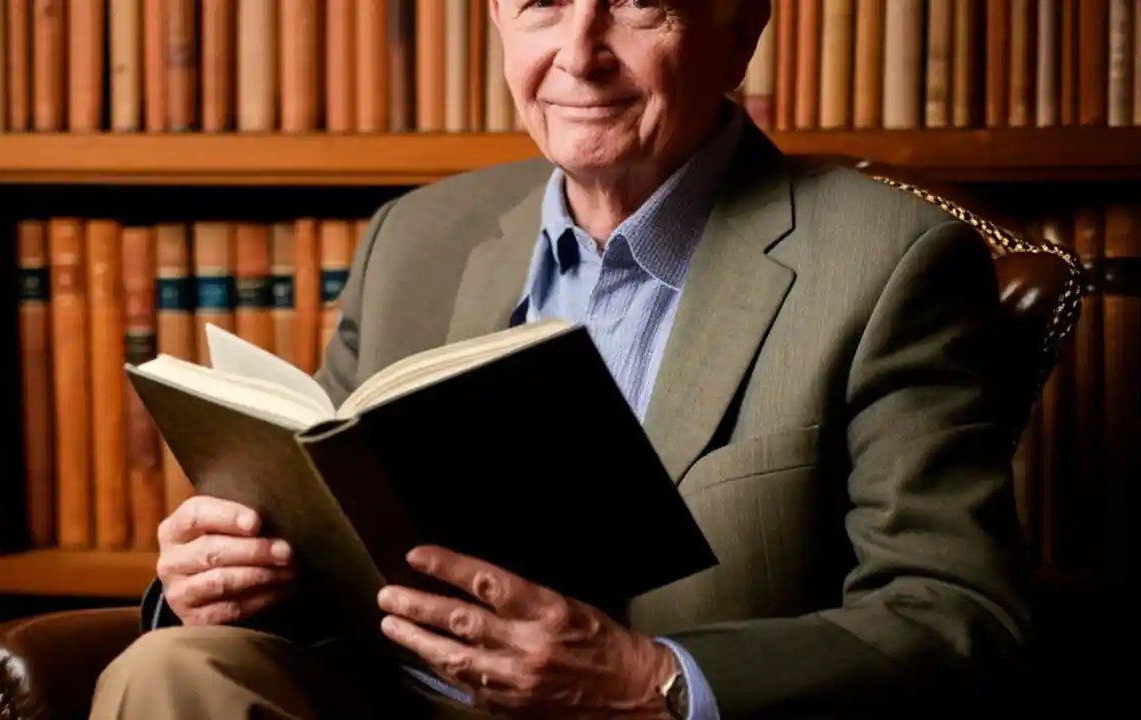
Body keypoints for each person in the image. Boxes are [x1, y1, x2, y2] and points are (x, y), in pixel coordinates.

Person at [91, 0, 1032, 717]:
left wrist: (654, 682)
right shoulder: (416, 235)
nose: (578, 54)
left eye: (634, 4)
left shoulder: (886, 261)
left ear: (739, 30)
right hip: (400, 696)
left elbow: (956, 615)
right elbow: (335, 525)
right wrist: (224, 575)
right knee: (168, 669)